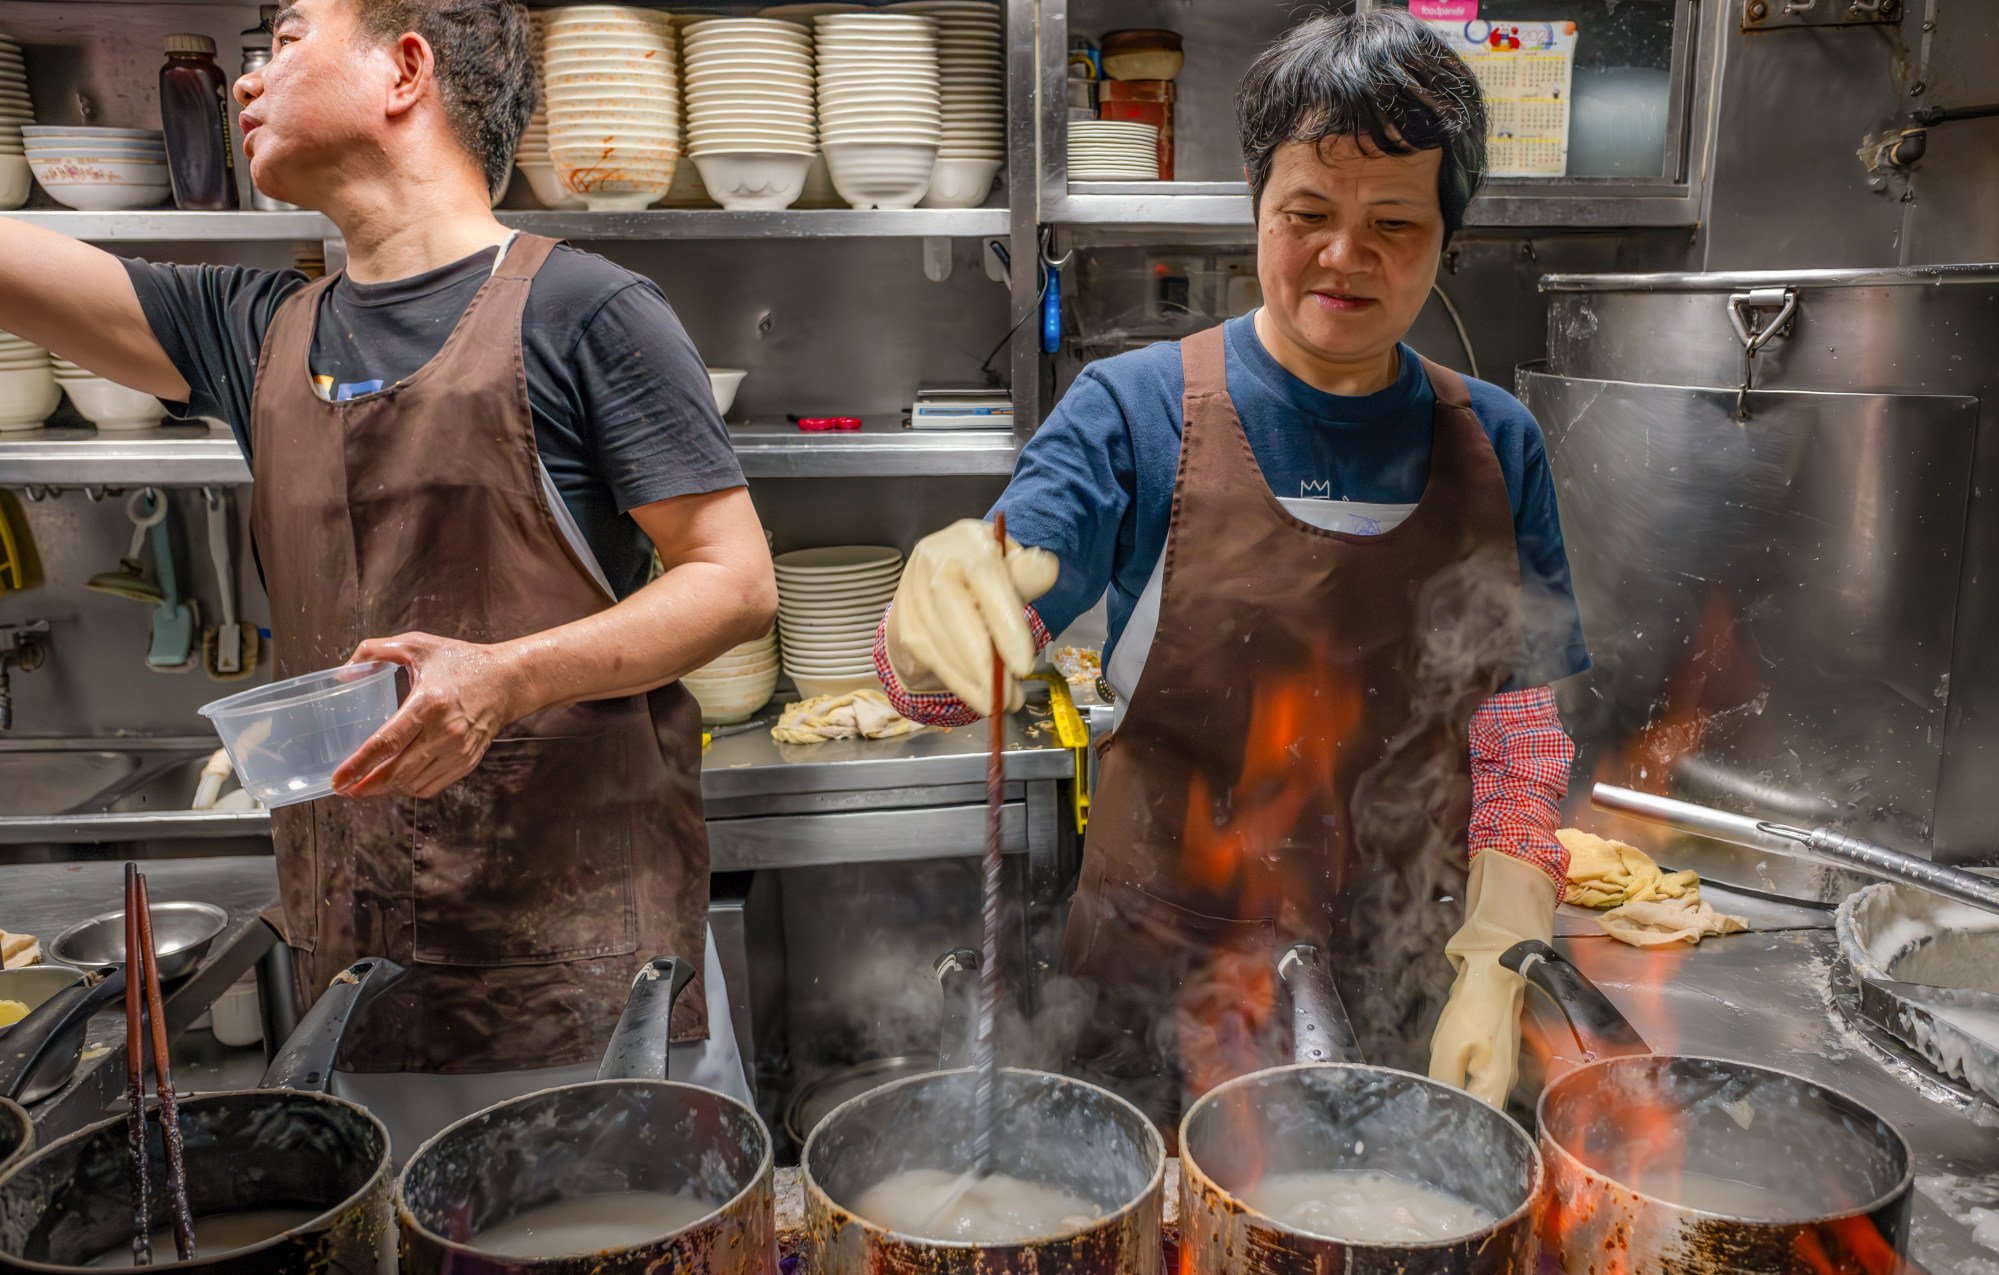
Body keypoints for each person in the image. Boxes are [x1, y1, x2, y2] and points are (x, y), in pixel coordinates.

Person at [0, 0, 775, 1142]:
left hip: (587, 987)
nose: (246, 82)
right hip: (364, 987)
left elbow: (734, 580)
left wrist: (506, 678)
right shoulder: (259, 332)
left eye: (288, 38)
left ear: (405, 70)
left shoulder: (586, 312)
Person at [878, 10, 1587, 1123]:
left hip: (1408, 983)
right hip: (1155, 998)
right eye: (1307, 215)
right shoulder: (1132, 413)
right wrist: (926, 631)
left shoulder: (1497, 445)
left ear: (1446, 238)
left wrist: (1502, 950)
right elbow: (945, 679)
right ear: (1256, 206)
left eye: (1393, 223)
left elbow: (1519, 739)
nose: (1344, 255)